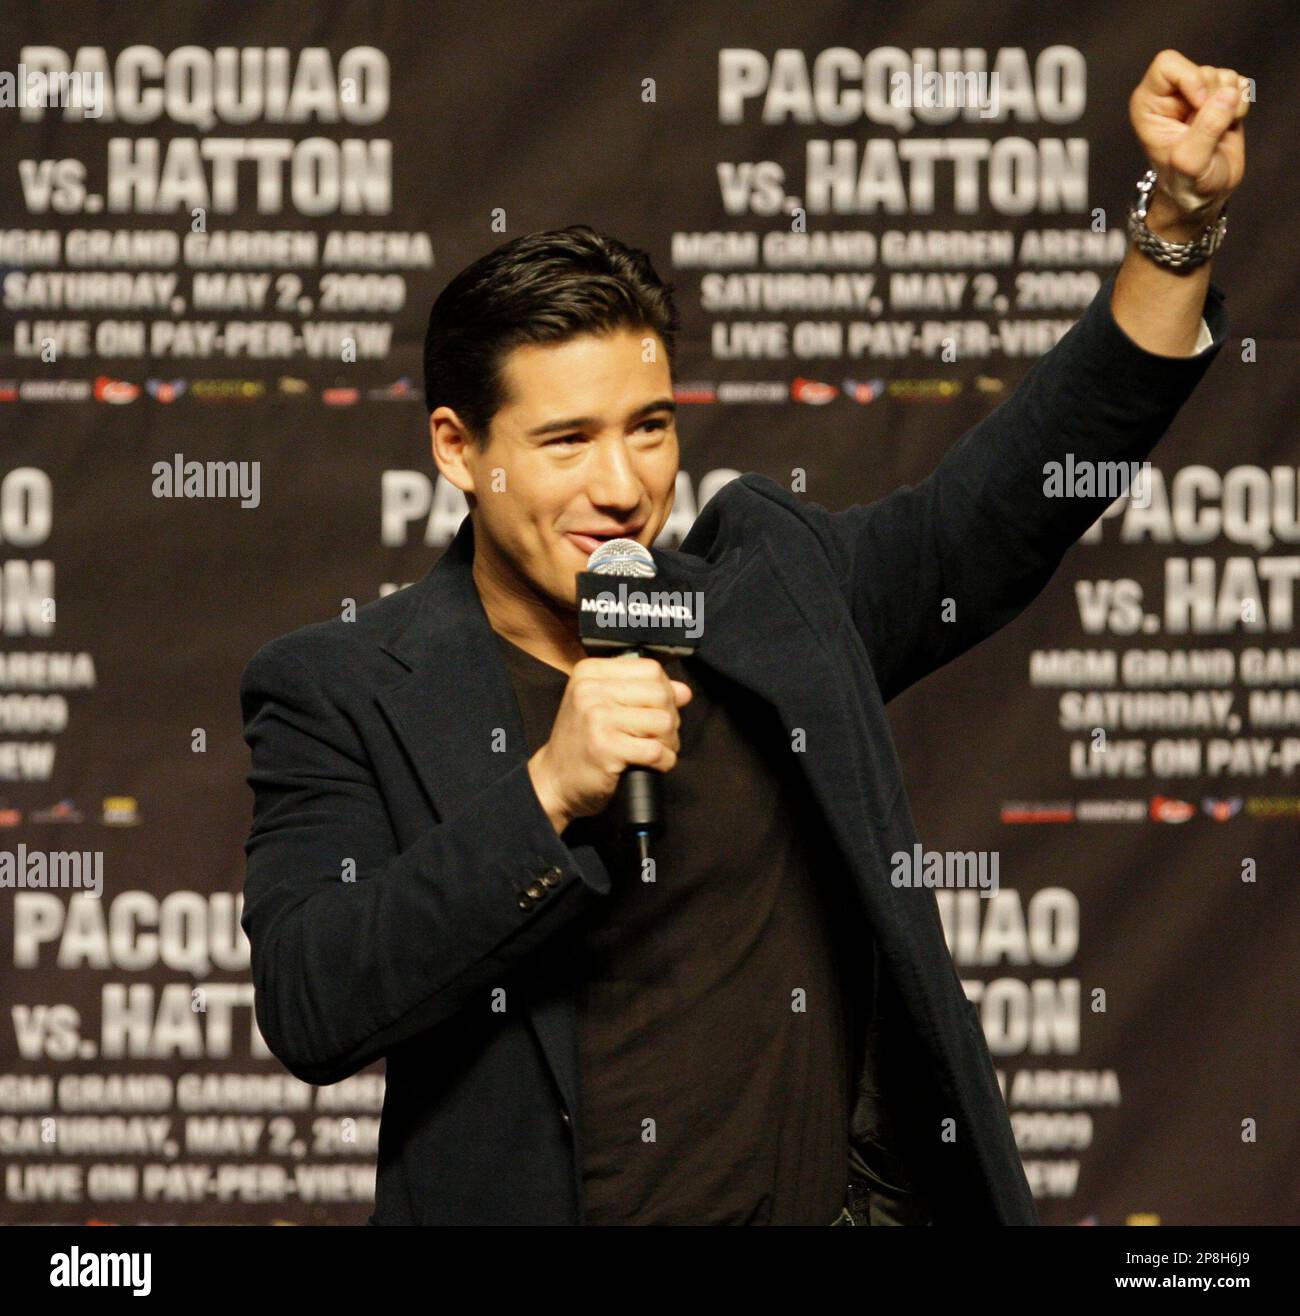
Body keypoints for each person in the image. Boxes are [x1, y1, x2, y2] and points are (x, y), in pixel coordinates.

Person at [239, 50, 1247, 1225]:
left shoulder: (773, 594)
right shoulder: (345, 683)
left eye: (651, 426)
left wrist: (1177, 220)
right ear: (459, 448)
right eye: (567, 440)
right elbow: (312, 1002)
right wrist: (551, 790)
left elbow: (1012, 499)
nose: (623, 484)